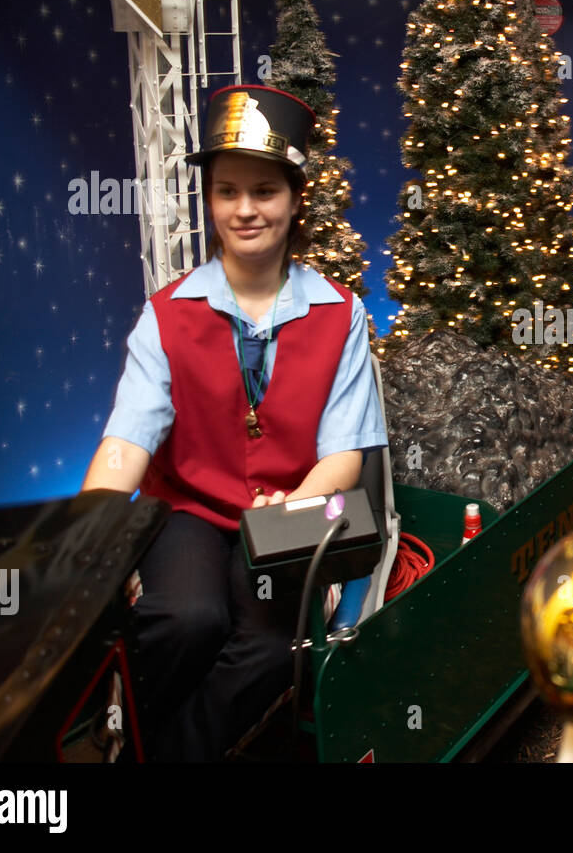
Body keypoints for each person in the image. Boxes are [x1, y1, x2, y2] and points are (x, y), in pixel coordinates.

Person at [79, 84, 387, 761]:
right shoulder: (165, 315)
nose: (245, 210)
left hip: (288, 511)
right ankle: (132, 738)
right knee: (185, 619)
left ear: (296, 197)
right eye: (226, 192)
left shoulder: (342, 314)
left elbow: (344, 460)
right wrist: (85, 538)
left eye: (264, 191)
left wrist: (296, 507)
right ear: (210, 200)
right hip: (188, 509)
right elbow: (126, 443)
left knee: (273, 649)